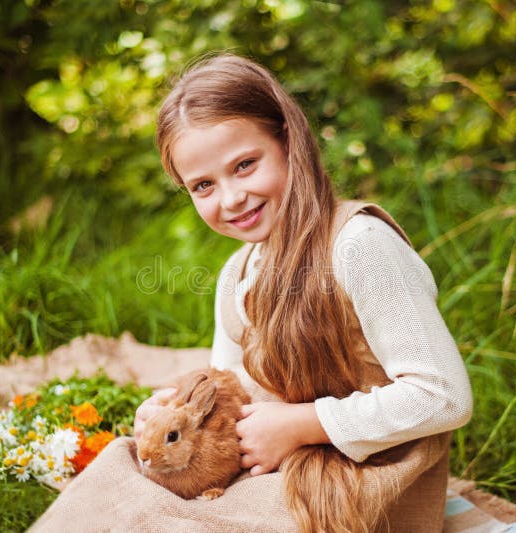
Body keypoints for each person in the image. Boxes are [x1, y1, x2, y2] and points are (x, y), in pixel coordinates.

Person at [31, 52, 472, 533]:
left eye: (244, 165)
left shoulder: (359, 246)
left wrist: (300, 425)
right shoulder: (237, 275)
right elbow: (231, 387)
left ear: (288, 141)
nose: (231, 198)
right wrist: (172, 412)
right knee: (119, 471)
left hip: (360, 479)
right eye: (203, 185)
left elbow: (443, 396)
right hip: (275, 461)